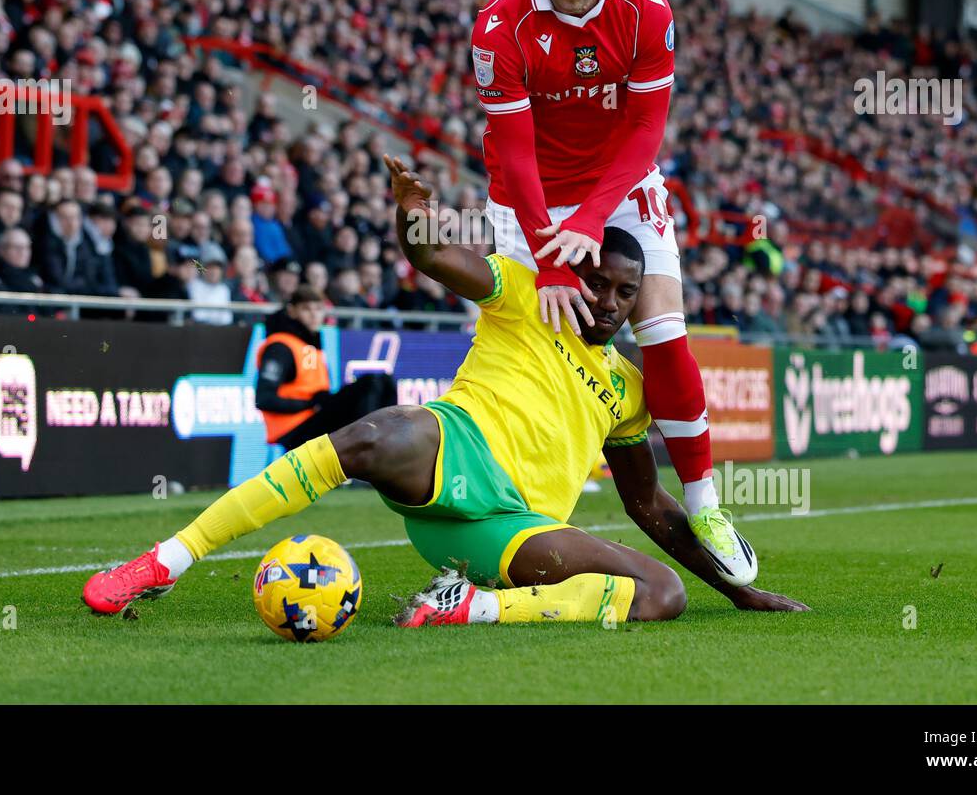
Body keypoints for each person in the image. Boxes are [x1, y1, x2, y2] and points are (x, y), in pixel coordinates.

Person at [82, 156, 805, 624]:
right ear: (573, 272)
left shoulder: (631, 391)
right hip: (452, 451)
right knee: (375, 433)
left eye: (625, 291)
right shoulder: (525, 292)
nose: (610, 301)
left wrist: (737, 589)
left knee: (661, 596)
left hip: (510, 530)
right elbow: (431, 253)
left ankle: (468, 608)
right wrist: (412, 212)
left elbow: (648, 504)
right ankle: (163, 562)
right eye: (598, 282)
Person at [469, 0, 751, 580]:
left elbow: (644, 131)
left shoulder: (648, 10)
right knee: (536, 364)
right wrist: (552, 253)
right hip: (529, 200)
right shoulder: (499, 28)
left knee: (661, 328)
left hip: (620, 186)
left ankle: (706, 504)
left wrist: (595, 220)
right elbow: (515, 150)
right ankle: (497, 529)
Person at [254, 284, 397, 452]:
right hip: (294, 429)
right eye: (306, 309)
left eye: (318, 309)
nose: (314, 315)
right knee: (369, 384)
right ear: (292, 311)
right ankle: (368, 448)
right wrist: (310, 404)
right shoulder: (281, 346)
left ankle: (384, 445)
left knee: (384, 380)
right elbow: (263, 399)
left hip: (312, 419)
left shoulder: (308, 343)